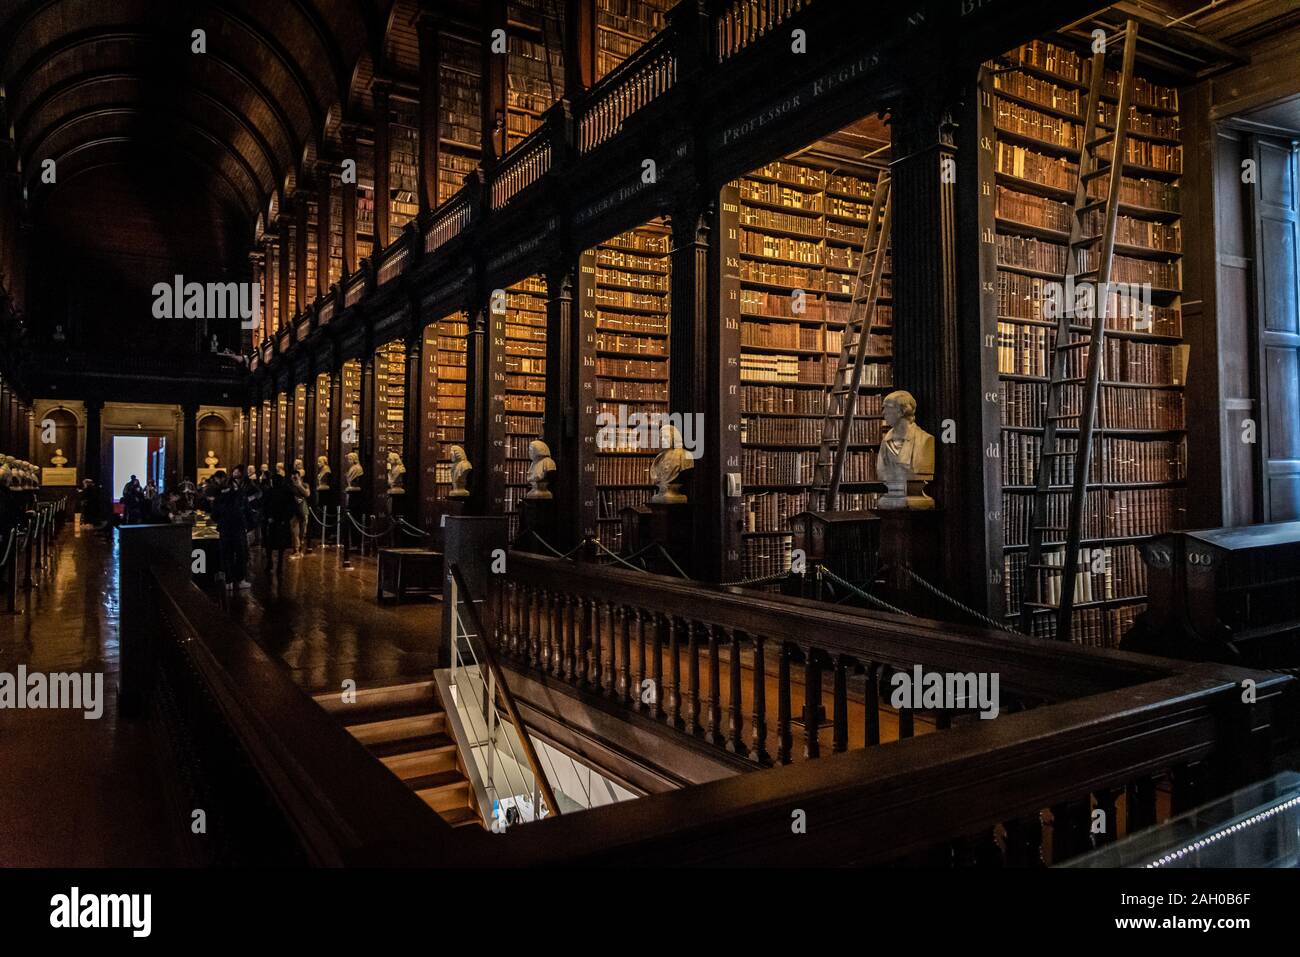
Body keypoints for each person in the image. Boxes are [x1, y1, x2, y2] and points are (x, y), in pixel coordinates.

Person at [210, 470, 252, 591]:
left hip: (224, 529)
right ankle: (240, 580)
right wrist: (249, 525)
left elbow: (214, 515)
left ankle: (228, 581)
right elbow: (246, 511)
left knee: (226, 554)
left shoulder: (219, 497)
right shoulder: (239, 495)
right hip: (238, 528)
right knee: (240, 554)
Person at [262, 472, 296, 580]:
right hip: (282, 521)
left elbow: (265, 506)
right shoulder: (287, 492)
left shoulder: (269, 492)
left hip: (273, 521)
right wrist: (285, 519)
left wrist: (268, 517)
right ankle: (279, 564)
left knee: (270, 544)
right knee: (280, 544)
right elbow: (291, 507)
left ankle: (270, 562)